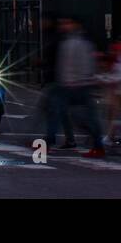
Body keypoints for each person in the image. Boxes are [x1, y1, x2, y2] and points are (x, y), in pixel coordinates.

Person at [53, 18, 107, 158]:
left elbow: (81, 65)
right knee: (76, 115)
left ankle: (96, 142)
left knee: (79, 116)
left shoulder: (77, 44)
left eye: (68, 23)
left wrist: (73, 80)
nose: (64, 25)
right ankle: (95, 142)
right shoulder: (71, 42)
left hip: (76, 85)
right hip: (74, 84)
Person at [40, 13, 77, 150]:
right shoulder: (57, 38)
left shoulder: (59, 39)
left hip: (58, 80)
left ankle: (50, 139)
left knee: (53, 110)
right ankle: (69, 139)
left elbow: (59, 60)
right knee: (60, 111)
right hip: (58, 79)